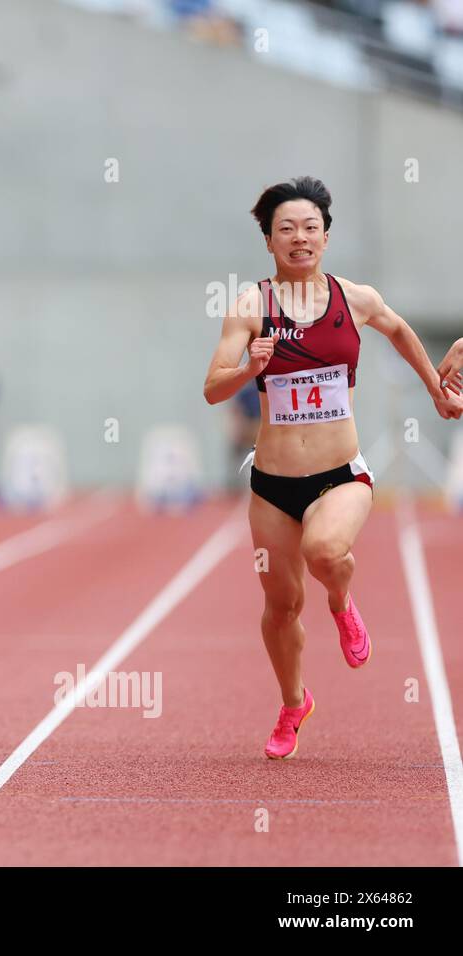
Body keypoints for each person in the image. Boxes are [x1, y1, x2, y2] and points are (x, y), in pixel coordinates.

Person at [202, 176, 463, 759]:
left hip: (341, 473)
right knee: (280, 607)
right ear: (268, 240)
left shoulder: (356, 299)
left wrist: (436, 391)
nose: (300, 238)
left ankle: (342, 604)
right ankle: (294, 703)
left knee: (325, 552)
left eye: (310, 228)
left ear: (326, 235)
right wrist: (249, 369)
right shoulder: (250, 307)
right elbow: (212, 389)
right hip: (271, 486)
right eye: (286, 229)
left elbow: (398, 330)